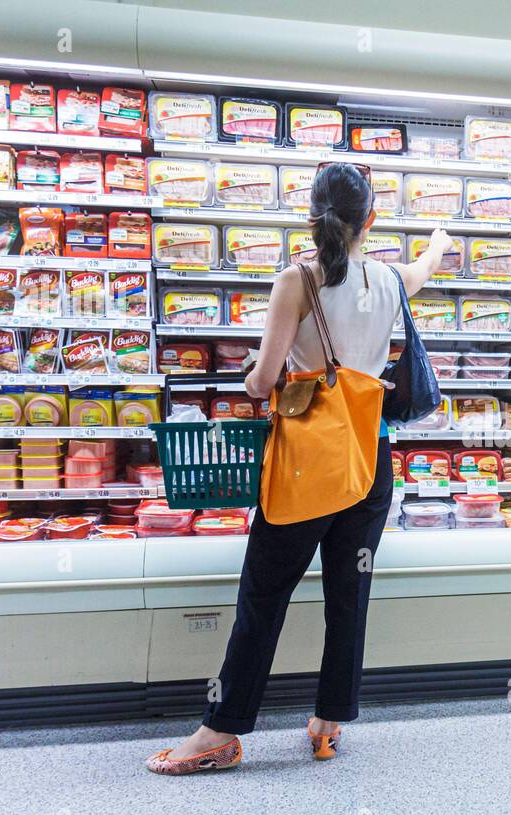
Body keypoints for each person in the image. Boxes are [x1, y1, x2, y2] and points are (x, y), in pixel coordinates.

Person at [146, 162, 451, 774]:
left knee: (264, 595)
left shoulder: (297, 281)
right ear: (371, 219)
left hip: (306, 465)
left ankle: (221, 733)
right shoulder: (391, 280)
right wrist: (440, 242)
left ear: (311, 216)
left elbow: (262, 383)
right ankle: (327, 721)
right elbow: (423, 270)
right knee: (349, 595)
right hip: (369, 462)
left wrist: (253, 373)